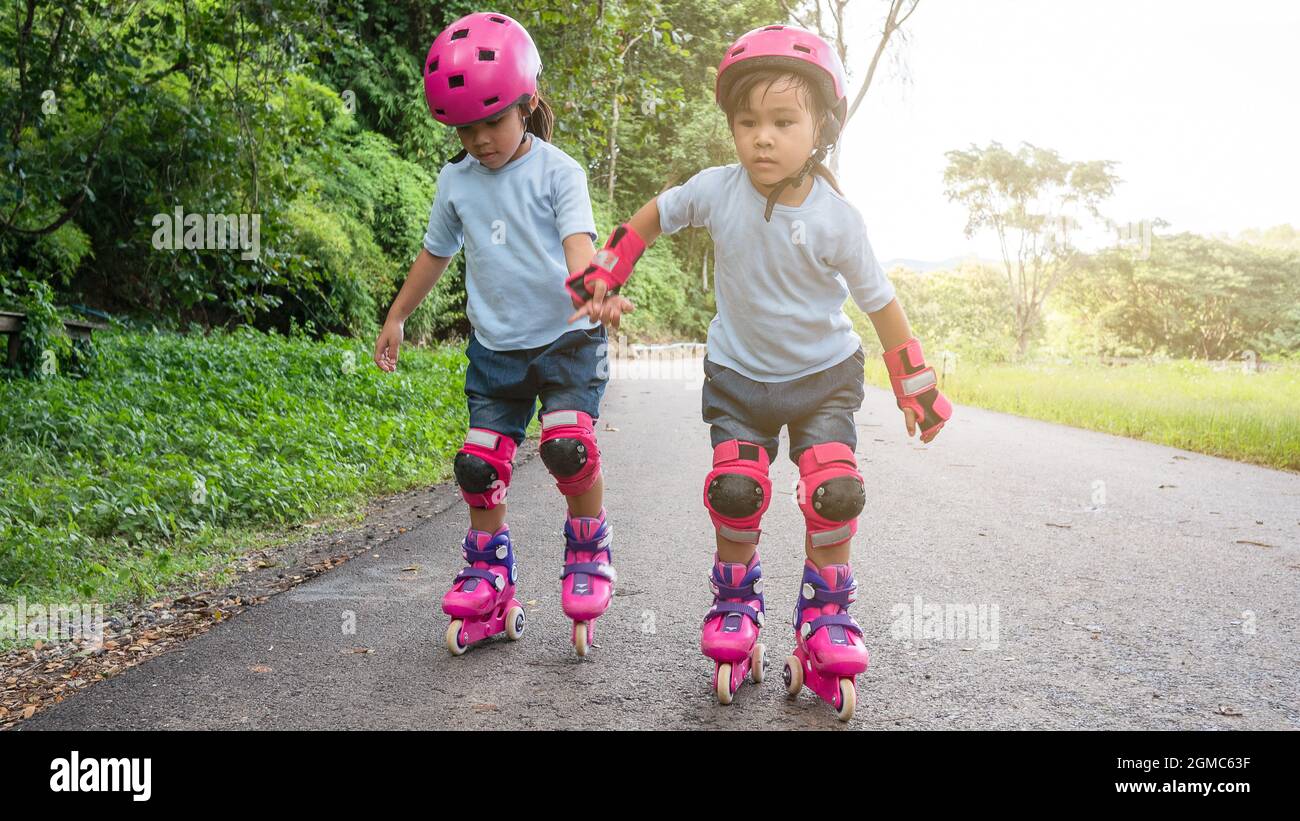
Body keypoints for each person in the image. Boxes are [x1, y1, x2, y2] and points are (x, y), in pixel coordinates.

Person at [566, 24, 952, 718]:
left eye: (783, 122)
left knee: (835, 491)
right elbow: (654, 216)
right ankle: (736, 608)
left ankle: (826, 618)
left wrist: (915, 385)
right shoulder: (717, 191)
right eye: (748, 123)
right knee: (737, 492)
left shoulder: (839, 219)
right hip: (740, 379)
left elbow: (882, 305)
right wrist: (606, 269)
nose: (762, 138)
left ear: (820, 129)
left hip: (824, 379)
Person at [376, 11, 634, 658]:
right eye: (465, 128)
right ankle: (490, 578)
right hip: (496, 352)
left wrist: (594, 293)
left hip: (566, 341)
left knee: (568, 447)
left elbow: (579, 251)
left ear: (528, 104)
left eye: (492, 121)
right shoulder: (455, 181)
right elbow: (435, 254)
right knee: (477, 463)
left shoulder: (558, 172)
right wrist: (399, 315)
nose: (481, 139)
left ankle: (586, 550)